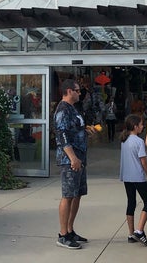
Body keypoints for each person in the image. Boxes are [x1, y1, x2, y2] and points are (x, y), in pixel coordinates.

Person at [54, 78, 96, 249]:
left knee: (77, 194)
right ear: (69, 91)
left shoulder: (73, 109)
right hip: (70, 160)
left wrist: (85, 130)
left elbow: (73, 128)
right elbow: (61, 135)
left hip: (80, 158)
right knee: (68, 195)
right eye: (78, 91)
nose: (80, 93)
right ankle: (63, 235)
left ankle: (70, 230)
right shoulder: (62, 110)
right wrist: (72, 158)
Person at [120, 114, 147, 247]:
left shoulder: (124, 140)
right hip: (138, 176)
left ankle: (130, 233)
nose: (142, 126)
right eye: (141, 124)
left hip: (127, 176)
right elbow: (143, 162)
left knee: (131, 202)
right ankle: (139, 230)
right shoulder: (139, 141)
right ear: (135, 127)